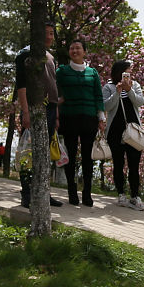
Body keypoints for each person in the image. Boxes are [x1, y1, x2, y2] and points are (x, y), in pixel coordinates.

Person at [16, 22, 62, 208]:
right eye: (46, 33)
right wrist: (25, 111)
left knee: (45, 152)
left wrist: (57, 113)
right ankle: (26, 194)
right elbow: (21, 85)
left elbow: (54, 86)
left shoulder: (51, 56)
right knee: (30, 152)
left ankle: (43, 191)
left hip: (50, 108)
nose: (49, 37)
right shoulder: (25, 54)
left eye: (52, 33)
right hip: (34, 107)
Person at [55, 38, 104, 206]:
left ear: (84, 52)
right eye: (71, 48)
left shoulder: (93, 73)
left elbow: (98, 95)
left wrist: (101, 117)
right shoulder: (61, 71)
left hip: (89, 118)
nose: (74, 51)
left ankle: (87, 193)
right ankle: (71, 191)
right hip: (68, 117)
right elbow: (54, 90)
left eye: (78, 48)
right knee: (70, 155)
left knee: (87, 158)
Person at [102, 60, 144, 210]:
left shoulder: (134, 86)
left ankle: (135, 195)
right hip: (115, 130)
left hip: (133, 130)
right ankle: (121, 194)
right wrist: (117, 91)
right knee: (118, 163)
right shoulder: (108, 87)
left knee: (134, 164)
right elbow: (106, 106)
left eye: (129, 72)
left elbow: (140, 102)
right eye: (125, 72)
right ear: (118, 73)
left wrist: (129, 90)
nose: (128, 75)